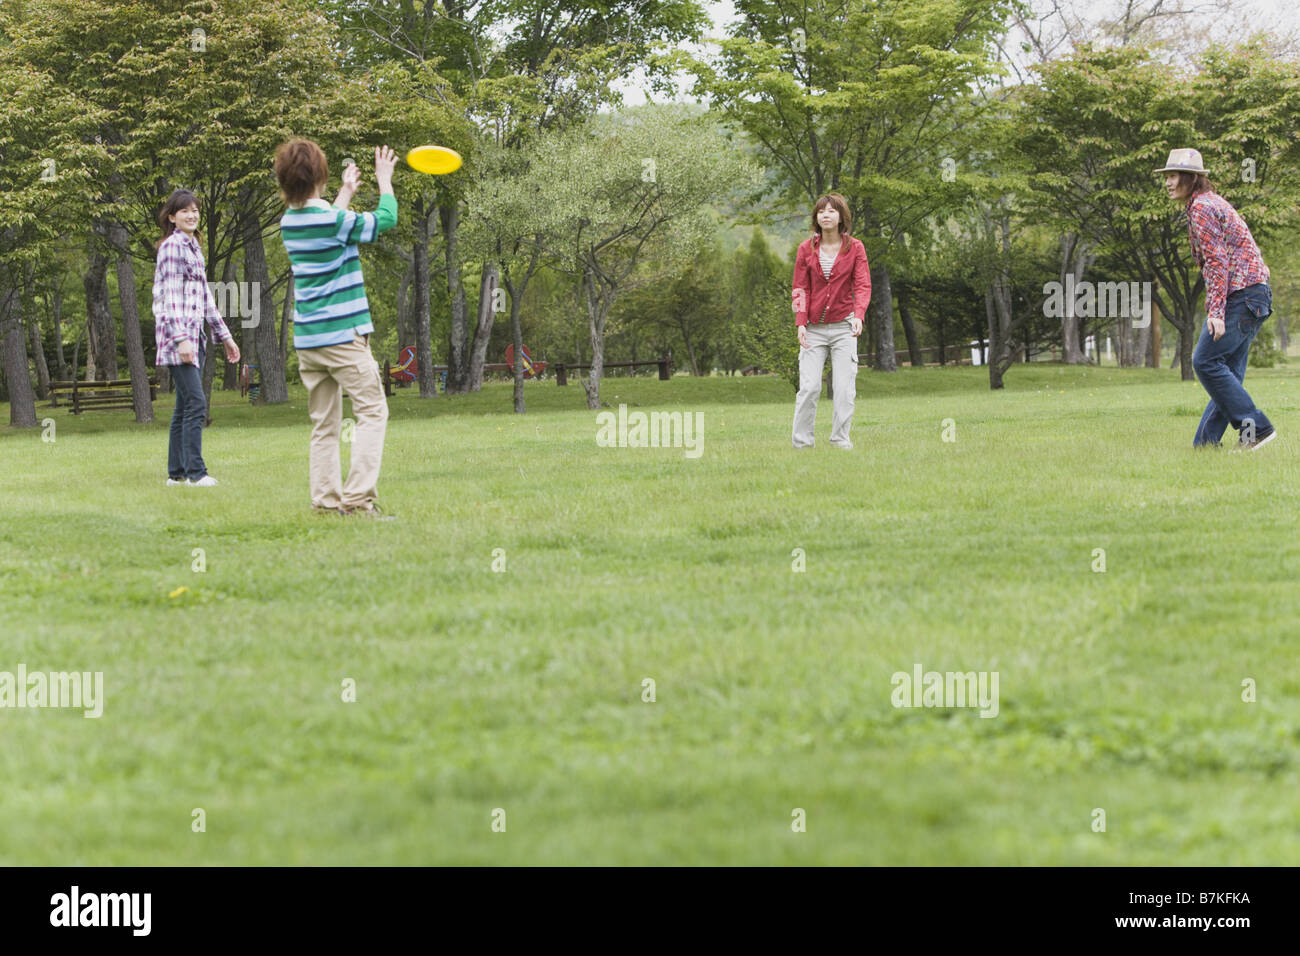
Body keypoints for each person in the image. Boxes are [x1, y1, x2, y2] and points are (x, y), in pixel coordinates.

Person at [275, 140, 398, 517]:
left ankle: (326, 503)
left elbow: (329, 226)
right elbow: (386, 219)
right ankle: (359, 501)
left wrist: (345, 191)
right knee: (373, 411)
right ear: (320, 177)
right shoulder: (333, 221)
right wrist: (384, 180)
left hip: (310, 342)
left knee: (324, 425)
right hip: (344, 338)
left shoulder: (290, 223)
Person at [1158, 148, 1277, 450]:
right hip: (1255, 294)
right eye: (1167, 177)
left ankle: (1257, 428)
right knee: (1230, 373)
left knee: (1205, 361)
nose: (1168, 182)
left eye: (1173, 176)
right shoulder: (1208, 203)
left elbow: (1216, 262)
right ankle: (1206, 445)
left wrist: (1215, 311)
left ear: (1191, 178)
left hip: (1244, 295)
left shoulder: (1201, 208)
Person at [153, 188, 240, 487]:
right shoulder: (172, 247)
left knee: (183, 406)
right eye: (185, 211)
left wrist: (225, 336)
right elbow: (169, 298)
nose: (192, 215)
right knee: (196, 404)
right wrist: (181, 339)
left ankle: (176, 475)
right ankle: (195, 473)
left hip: (196, 338)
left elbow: (205, 297)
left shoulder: (193, 248)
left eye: (195, 210)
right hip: (180, 339)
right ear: (172, 217)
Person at [791, 193, 871, 449]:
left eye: (831, 211)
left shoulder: (855, 247)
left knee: (844, 389)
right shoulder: (805, 249)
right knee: (809, 387)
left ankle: (840, 440)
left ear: (841, 217)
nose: (826, 214)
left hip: (844, 327)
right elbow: (799, 288)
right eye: (821, 211)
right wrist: (800, 322)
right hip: (813, 329)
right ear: (816, 217)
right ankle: (802, 444)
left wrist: (859, 315)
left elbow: (863, 284)